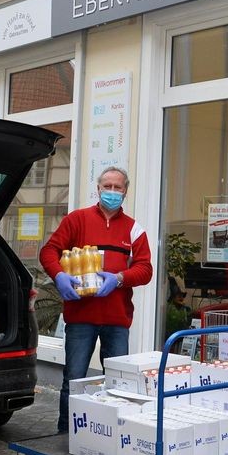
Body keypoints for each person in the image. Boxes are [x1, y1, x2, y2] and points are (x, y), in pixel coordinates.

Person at [40, 166, 153, 434]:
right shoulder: (76, 220)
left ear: (126, 191)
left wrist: (119, 279)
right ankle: (66, 437)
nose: (112, 192)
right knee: (74, 381)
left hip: (117, 319)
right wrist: (59, 276)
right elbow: (49, 252)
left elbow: (145, 269)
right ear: (98, 189)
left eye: (118, 187)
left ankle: (111, 437)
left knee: (117, 385)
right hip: (81, 317)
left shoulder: (134, 229)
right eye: (107, 186)